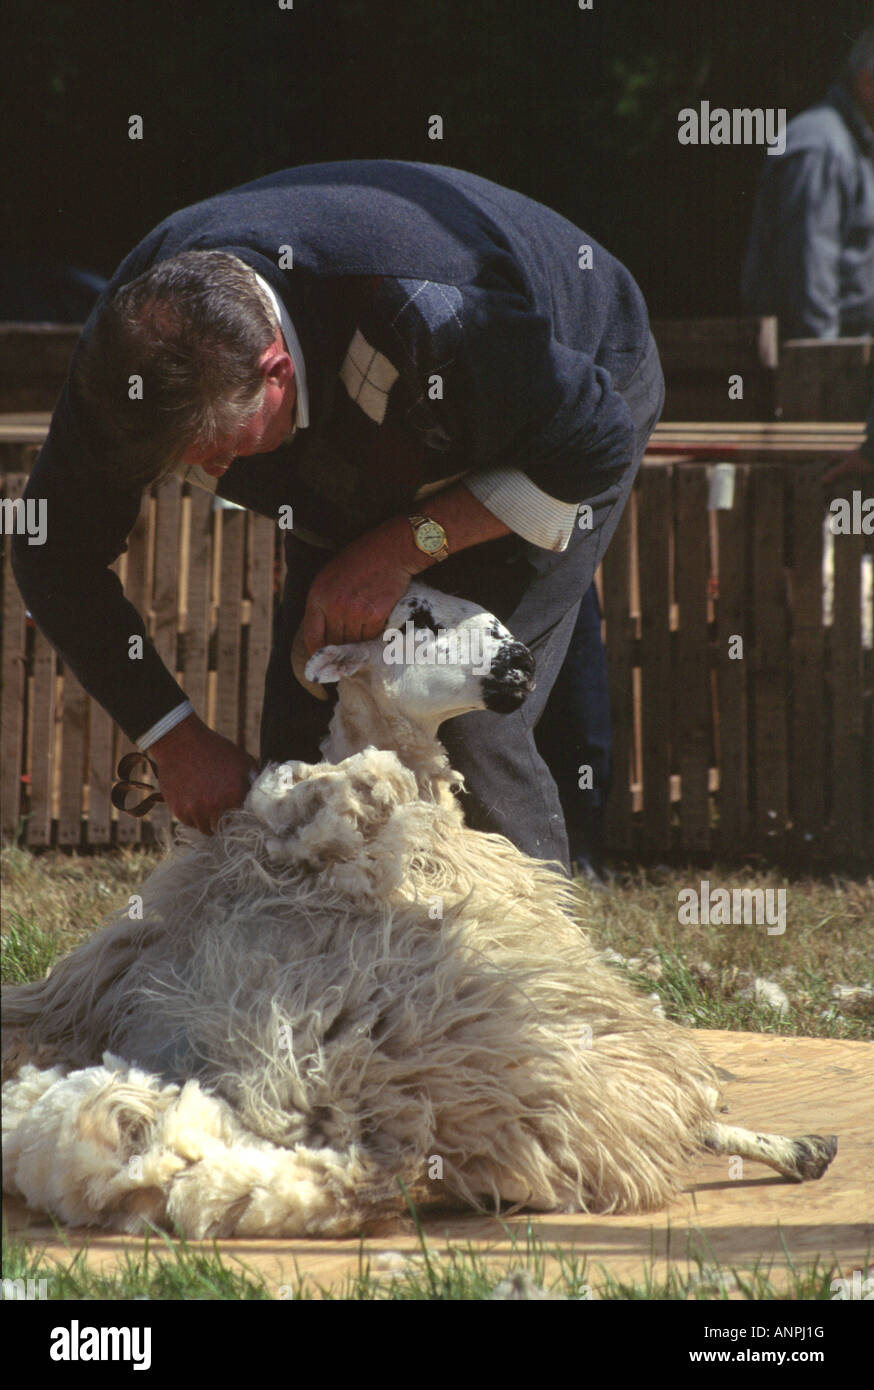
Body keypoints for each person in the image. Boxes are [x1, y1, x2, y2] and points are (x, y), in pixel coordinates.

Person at [12, 161, 664, 870]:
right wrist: (174, 739)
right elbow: (53, 553)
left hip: (564, 405)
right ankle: (319, 963)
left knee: (464, 724)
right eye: (183, 465)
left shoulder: (429, 310)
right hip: (373, 416)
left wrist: (401, 549)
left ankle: (521, 965)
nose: (212, 474)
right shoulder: (128, 360)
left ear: (275, 372)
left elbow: (594, 440)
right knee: (310, 716)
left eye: (221, 450)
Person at [741, 26, 874, 340]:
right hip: (820, 362)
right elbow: (810, 279)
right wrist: (828, 373)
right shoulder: (823, 147)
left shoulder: (856, 145)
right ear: (867, 83)